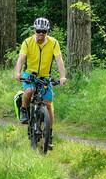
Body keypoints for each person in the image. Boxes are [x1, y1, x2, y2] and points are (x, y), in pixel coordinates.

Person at [14, 17, 67, 146]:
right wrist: (18, 72)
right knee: (29, 90)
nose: (41, 34)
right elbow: (21, 59)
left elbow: (59, 60)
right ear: (35, 30)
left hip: (45, 76)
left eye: (44, 31)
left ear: (47, 31)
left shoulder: (53, 43)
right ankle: (24, 110)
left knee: (48, 104)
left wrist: (62, 76)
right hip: (30, 74)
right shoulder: (27, 42)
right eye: (39, 31)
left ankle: (49, 136)